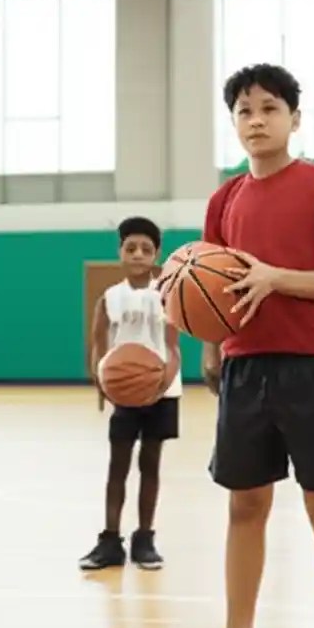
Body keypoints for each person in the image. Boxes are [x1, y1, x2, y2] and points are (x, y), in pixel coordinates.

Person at [191, 63, 314, 628]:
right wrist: (210, 348)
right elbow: (209, 288)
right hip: (245, 368)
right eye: (244, 110)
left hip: (313, 367)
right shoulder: (224, 200)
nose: (256, 119)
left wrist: (274, 278)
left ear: (295, 118)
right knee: (244, 507)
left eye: (269, 108)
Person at [79, 216, 182, 571]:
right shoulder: (110, 297)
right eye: (131, 248)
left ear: (156, 255)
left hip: (162, 391)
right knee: (117, 465)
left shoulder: (167, 295)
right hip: (124, 392)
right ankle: (110, 541)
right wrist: (101, 380)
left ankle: (145, 538)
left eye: (146, 249)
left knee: (151, 463)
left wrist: (161, 383)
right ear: (121, 252)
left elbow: (174, 347)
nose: (138, 254)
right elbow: (97, 343)